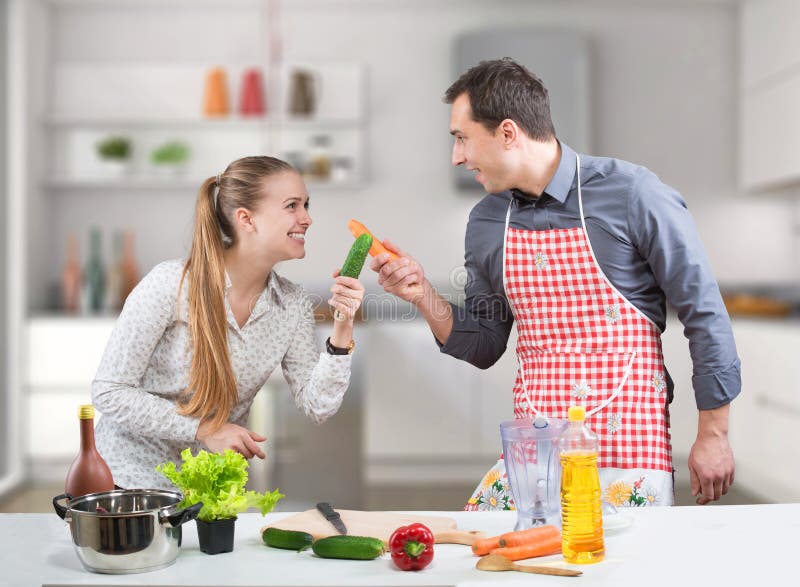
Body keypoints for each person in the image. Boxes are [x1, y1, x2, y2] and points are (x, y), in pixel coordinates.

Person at [372, 58, 739, 508]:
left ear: (508, 133)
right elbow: (484, 345)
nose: (457, 156)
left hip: (627, 454)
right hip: (533, 459)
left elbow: (704, 312)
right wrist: (421, 294)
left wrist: (714, 433)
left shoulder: (632, 194)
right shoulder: (488, 219)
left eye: (462, 138)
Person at [92, 156, 364, 490]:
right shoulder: (171, 284)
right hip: (131, 478)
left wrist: (342, 328)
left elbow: (317, 405)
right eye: (292, 206)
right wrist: (205, 429)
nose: (307, 218)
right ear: (246, 219)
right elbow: (110, 391)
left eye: (306, 205)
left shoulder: (291, 305)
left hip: (211, 486)